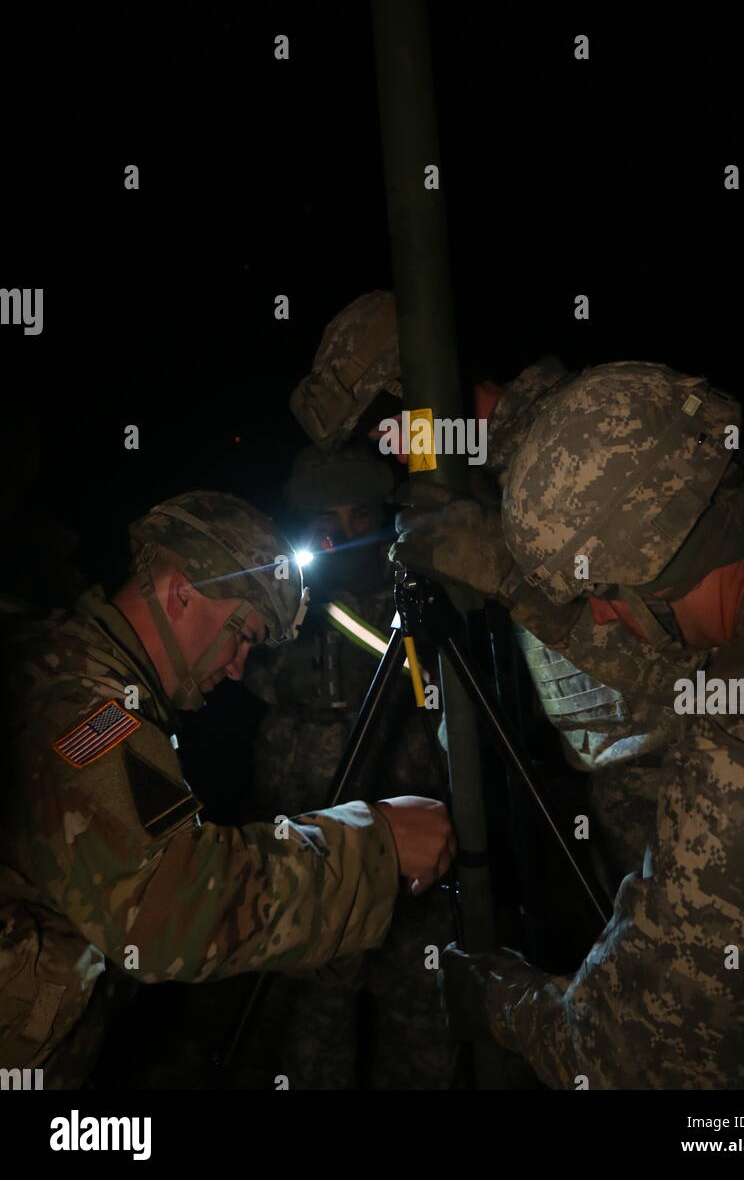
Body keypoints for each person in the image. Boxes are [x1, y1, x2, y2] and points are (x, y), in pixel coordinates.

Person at [393, 361, 744, 1089]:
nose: (604, 616)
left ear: (660, 565)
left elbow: (614, 1057)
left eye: (606, 592)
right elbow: (692, 678)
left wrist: (490, 995)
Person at [0, 489, 454, 1088]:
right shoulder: (85, 710)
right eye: (242, 633)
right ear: (183, 590)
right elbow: (169, 910)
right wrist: (378, 843)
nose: (239, 666)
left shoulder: (73, 670)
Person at [240, 442, 456, 1088]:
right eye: (325, 520)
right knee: (312, 1027)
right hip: (310, 843)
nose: (341, 535)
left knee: (423, 1024)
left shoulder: (419, 587)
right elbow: (232, 672)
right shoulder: (280, 596)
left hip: (413, 848)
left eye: (358, 515)